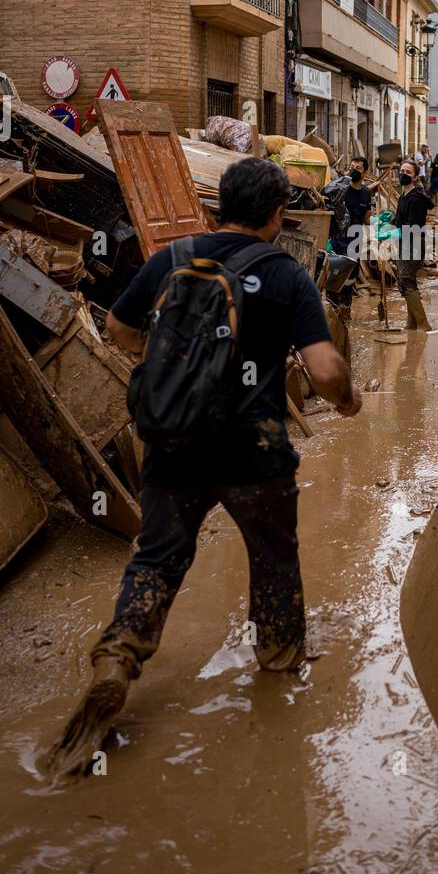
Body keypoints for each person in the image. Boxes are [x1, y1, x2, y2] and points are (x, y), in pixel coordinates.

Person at [44, 159, 362, 780]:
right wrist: (349, 401)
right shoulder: (286, 274)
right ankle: (275, 660)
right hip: (255, 449)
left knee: (157, 558)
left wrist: (178, 369)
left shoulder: (173, 257)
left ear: (221, 208)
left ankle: (117, 657)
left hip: (172, 446)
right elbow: (324, 371)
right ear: (276, 215)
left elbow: (117, 327)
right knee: (273, 558)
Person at [393, 158, 434, 331]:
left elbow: (411, 227)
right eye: (402, 171)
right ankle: (411, 325)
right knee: (407, 282)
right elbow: (401, 220)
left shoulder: (416, 198)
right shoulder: (404, 195)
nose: (403, 174)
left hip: (414, 244)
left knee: (405, 280)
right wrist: (389, 222)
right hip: (405, 243)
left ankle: (425, 326)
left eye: (408, 172)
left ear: (415, 177)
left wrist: (392, 233)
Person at [331, 157, 374, 320]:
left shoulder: (366, 193)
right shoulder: (340, 188)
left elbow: (366, 219)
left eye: (358, 168)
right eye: (352, 167)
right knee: (334, 276)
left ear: (365, 172)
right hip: (338, 238)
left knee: (350, 278)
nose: (354, 170)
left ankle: (345, 313)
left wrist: (379, 220)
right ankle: (333, 314)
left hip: (355, 239)